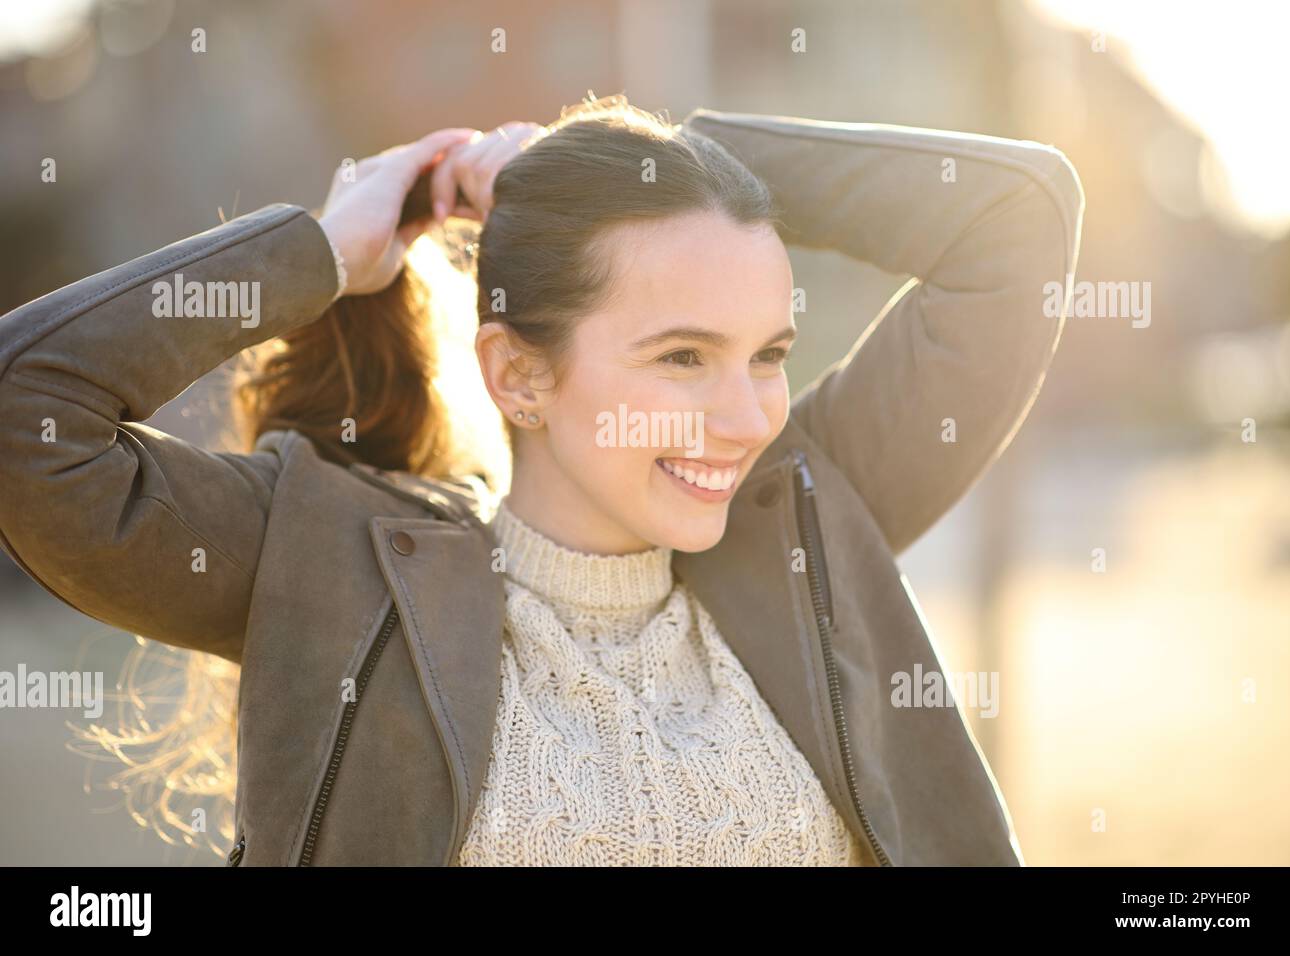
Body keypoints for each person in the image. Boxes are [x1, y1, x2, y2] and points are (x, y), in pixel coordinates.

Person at [0, 92, 1084, 866]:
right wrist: (322, 253)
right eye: (681, 357)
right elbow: (28, 418)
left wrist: (648, 157)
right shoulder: (327, 565)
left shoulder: (807, 514)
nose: (752, 415)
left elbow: (1018, 215)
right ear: (517, 373)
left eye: (768, 352)